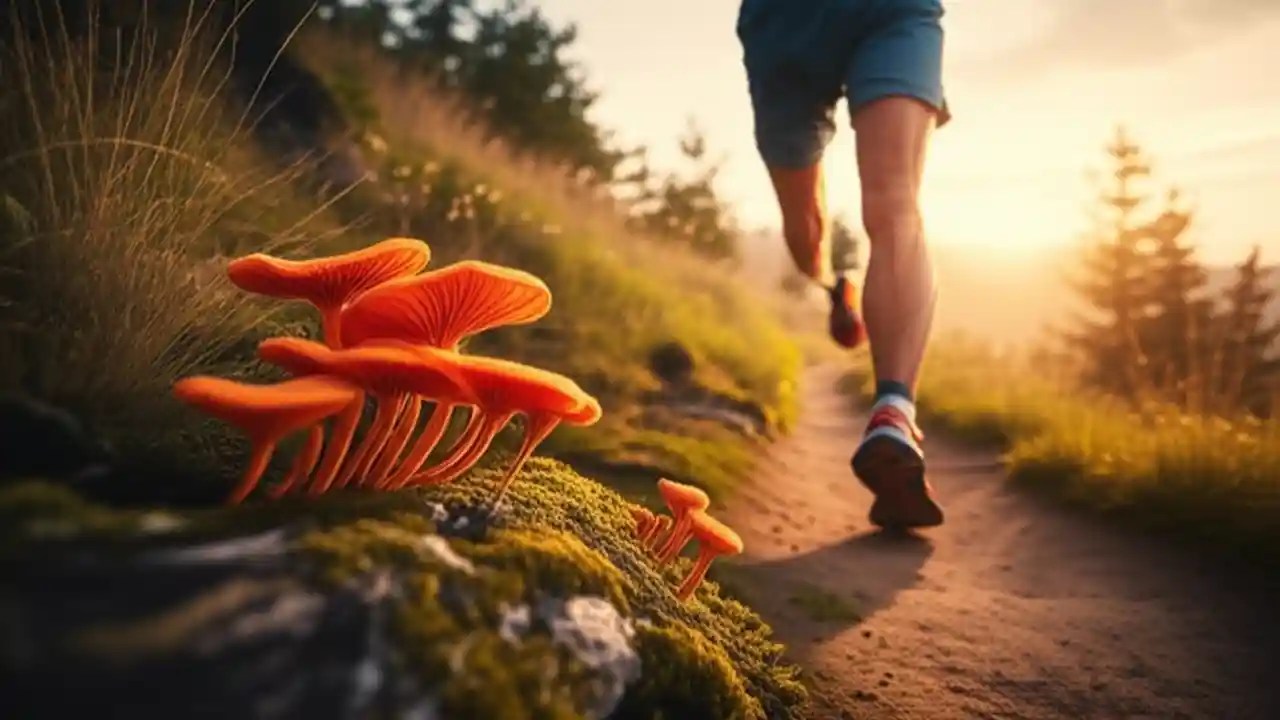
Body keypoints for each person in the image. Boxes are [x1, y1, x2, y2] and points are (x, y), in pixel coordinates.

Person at [737, 0, 946, 528]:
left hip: (880, 12)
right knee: (814, 230)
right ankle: (836, 287)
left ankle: (894, 410)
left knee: (893, 202)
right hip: (786, 21)